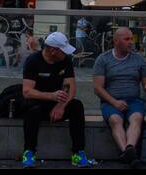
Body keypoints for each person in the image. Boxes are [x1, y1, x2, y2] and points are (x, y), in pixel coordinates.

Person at [20, 31, 94, 167]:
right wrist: (50, 95)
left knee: (77, 106)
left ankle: (78, 153)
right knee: (31, 109)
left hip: (57, 103)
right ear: (53, 50)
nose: (66, 54)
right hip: (39, 103)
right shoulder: (33, 61)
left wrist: (61, 106)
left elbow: (70, 87)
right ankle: (29, 152)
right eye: (63, 51)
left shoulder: (65, 60)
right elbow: (27, 91)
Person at [92, 26, 146, 166]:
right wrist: (115, 102)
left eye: (131, 38)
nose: (131, 42)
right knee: (115, 120)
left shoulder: (138, 59)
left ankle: (128, 150)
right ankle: (130, 154)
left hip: (134, 101)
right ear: (116, 41)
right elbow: (97, 88)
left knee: (137, 118)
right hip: (111, 101)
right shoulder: (103, 59)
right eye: (127, 39)